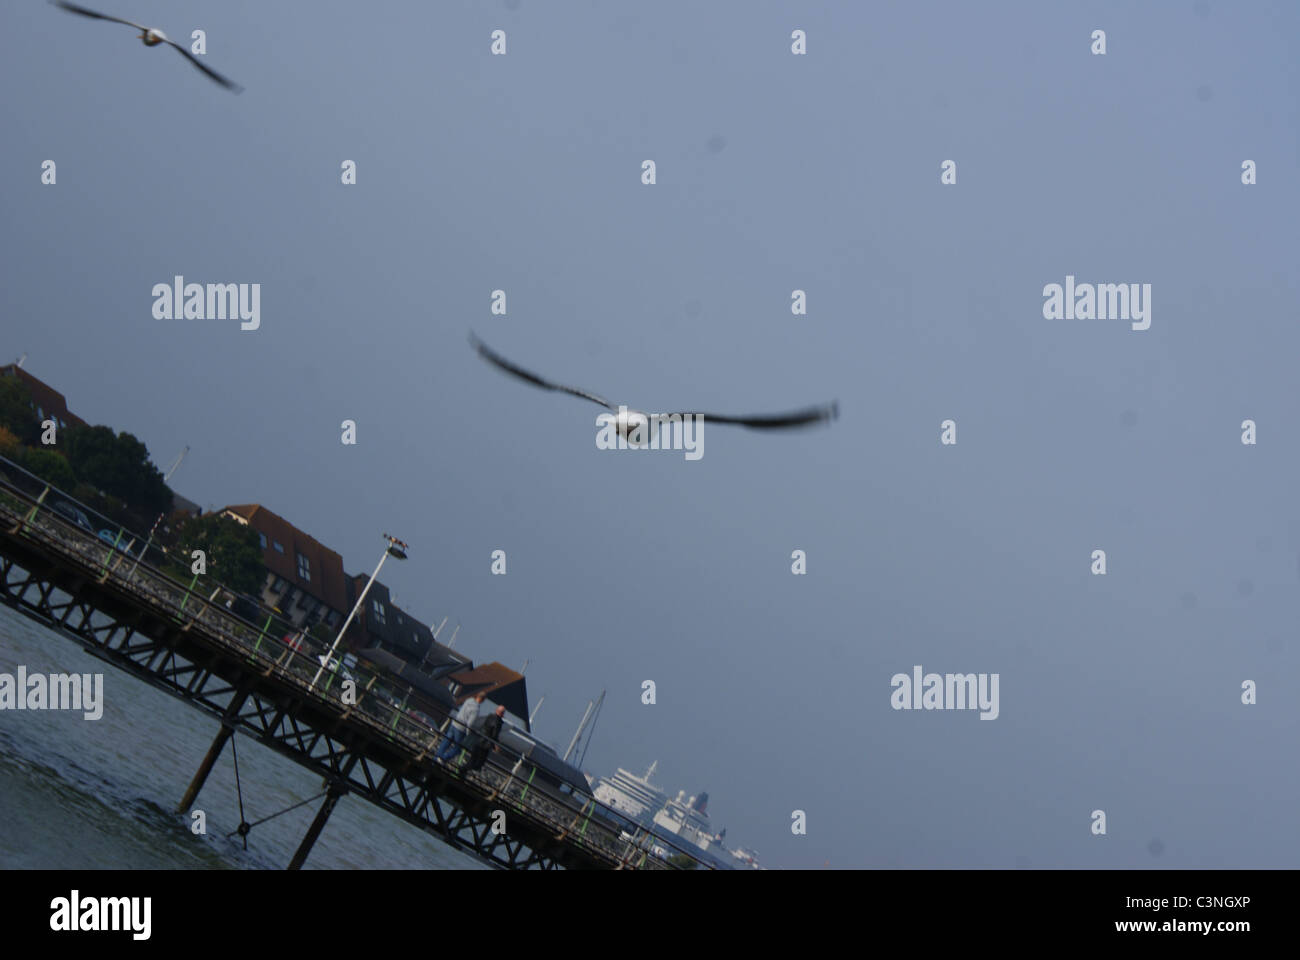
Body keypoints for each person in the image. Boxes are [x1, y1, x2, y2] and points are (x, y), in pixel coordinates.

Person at [435, 692, 484, 765]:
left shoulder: (469, 700)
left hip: (454, 723)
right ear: (482, 699)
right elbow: (470, 723)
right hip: (461, 728)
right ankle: (443, 758)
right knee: (458, 748)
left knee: (446, 741)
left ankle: (436, 757)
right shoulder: (476, 709)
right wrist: (468, 733)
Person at [464, 705, 505, 773]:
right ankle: (464, 770)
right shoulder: (498, 722)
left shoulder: (489, 716)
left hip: (479, 740)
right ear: (502, 714)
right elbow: (494, 735)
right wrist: (496, 745)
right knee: (479, 762)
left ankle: (463, 771)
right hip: (485, 745)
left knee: (473, 759)